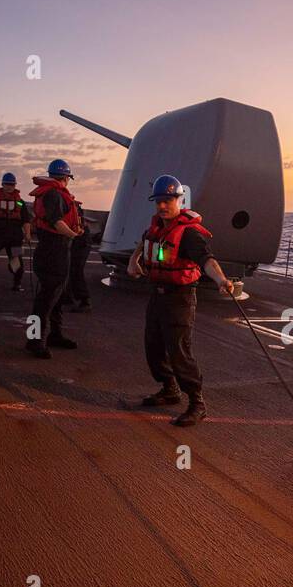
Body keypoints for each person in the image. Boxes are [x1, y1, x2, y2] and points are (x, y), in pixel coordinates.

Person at [127, 174, 233, 427]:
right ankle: (169, 389)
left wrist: (221, 280)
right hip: (157, 295)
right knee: (153, 347)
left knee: (179, 351)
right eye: (159, 201)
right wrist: (134, 261)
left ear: (179, 200)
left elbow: (207, 259)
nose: (162, 206)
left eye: (168, 200)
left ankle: (197, 403)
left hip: (180, 300)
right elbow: (143, 243)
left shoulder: (189, 234)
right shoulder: (156, 227)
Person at [25, 159, 83, 359]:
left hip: (55, 251)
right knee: (45, 299)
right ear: (66, 177)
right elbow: (56, 222)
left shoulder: (50, 193)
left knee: (56, 296)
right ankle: (34, 340)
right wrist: (74, 236)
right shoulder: (53, 195)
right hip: (53, 251)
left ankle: (55, 335)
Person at [58, 198, 93, 312]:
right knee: (69, 268)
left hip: (80, 241)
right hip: (79, 239)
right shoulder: (68, 205)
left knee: (75, 269)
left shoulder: (65, 206)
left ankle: (85, 301)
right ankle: (68, 296)